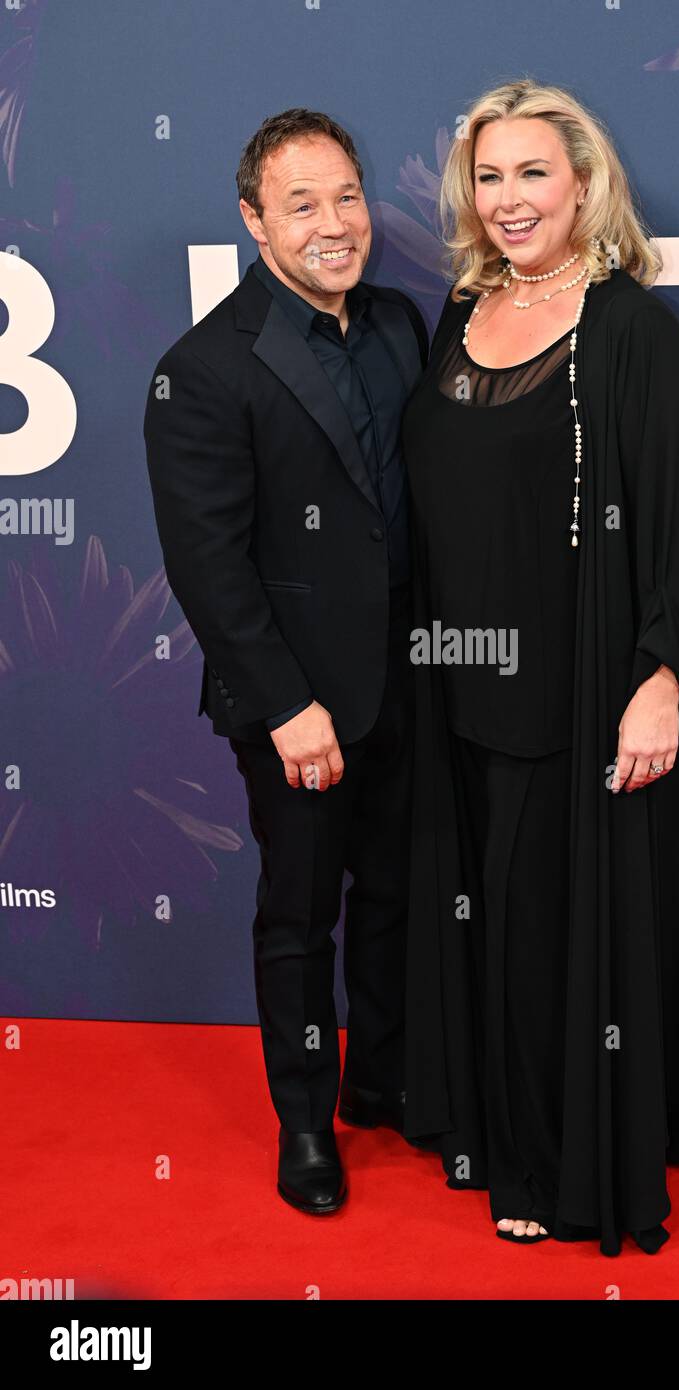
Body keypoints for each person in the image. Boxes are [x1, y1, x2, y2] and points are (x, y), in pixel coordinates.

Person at [401, 79, 679, 1255]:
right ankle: (487, 1125)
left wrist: (661, 674)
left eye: (531, 174)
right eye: (487, 176)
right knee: (488, 921)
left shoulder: (634, 329)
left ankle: (555, 1163)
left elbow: (678, 524)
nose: (507, 200)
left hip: (581, 686)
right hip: (456, 687)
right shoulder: (456, 314)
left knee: (550, 932)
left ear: (585, 185)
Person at [143, 108, 428, 1217]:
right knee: (302, 914)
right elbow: (208, 566)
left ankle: (381, 1079)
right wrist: (287, 705)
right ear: (255, 222)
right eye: (300, 203)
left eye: (346, 196)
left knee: (404, 893)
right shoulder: (203, 369)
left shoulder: (402, 323)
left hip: (415, 673)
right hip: (295, 701)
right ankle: (305, 1122)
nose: (333, 222)